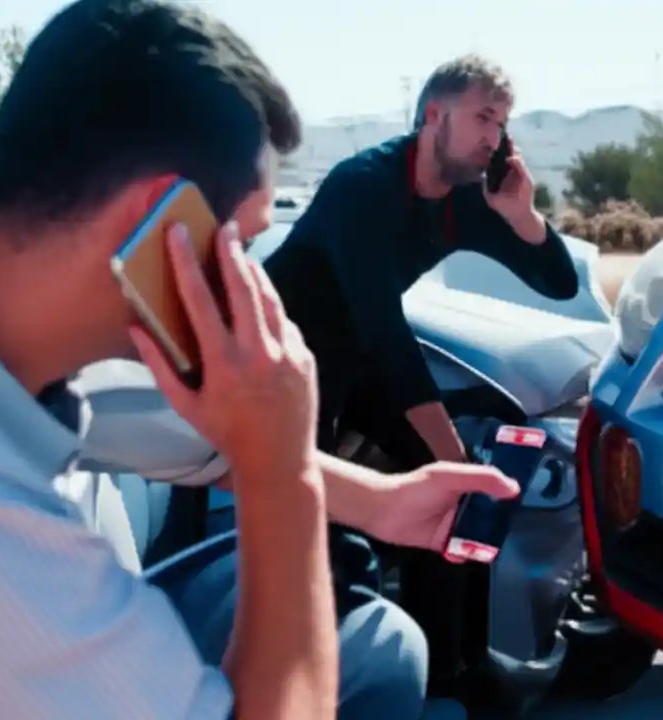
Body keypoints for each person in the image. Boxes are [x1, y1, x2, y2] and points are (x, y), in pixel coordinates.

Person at [0, 3, 515, 718]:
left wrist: (383, 502)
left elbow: (192, 445)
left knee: (380, 639)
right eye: (239, 247)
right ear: (155, 229)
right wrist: (284, 482)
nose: (247, 286)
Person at [263, 53, 580, 702]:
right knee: (348, 518)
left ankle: (453, 668)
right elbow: (386, 332)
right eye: (482, 117)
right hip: (285, 367)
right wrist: (450, 454)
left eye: (503, 123)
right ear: (433, 114)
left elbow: (560, 281)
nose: (494, 136)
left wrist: (522, 215)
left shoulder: (465, 202)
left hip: (356, 365)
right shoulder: (364, 186)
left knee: (464, 489)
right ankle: (323, 683)